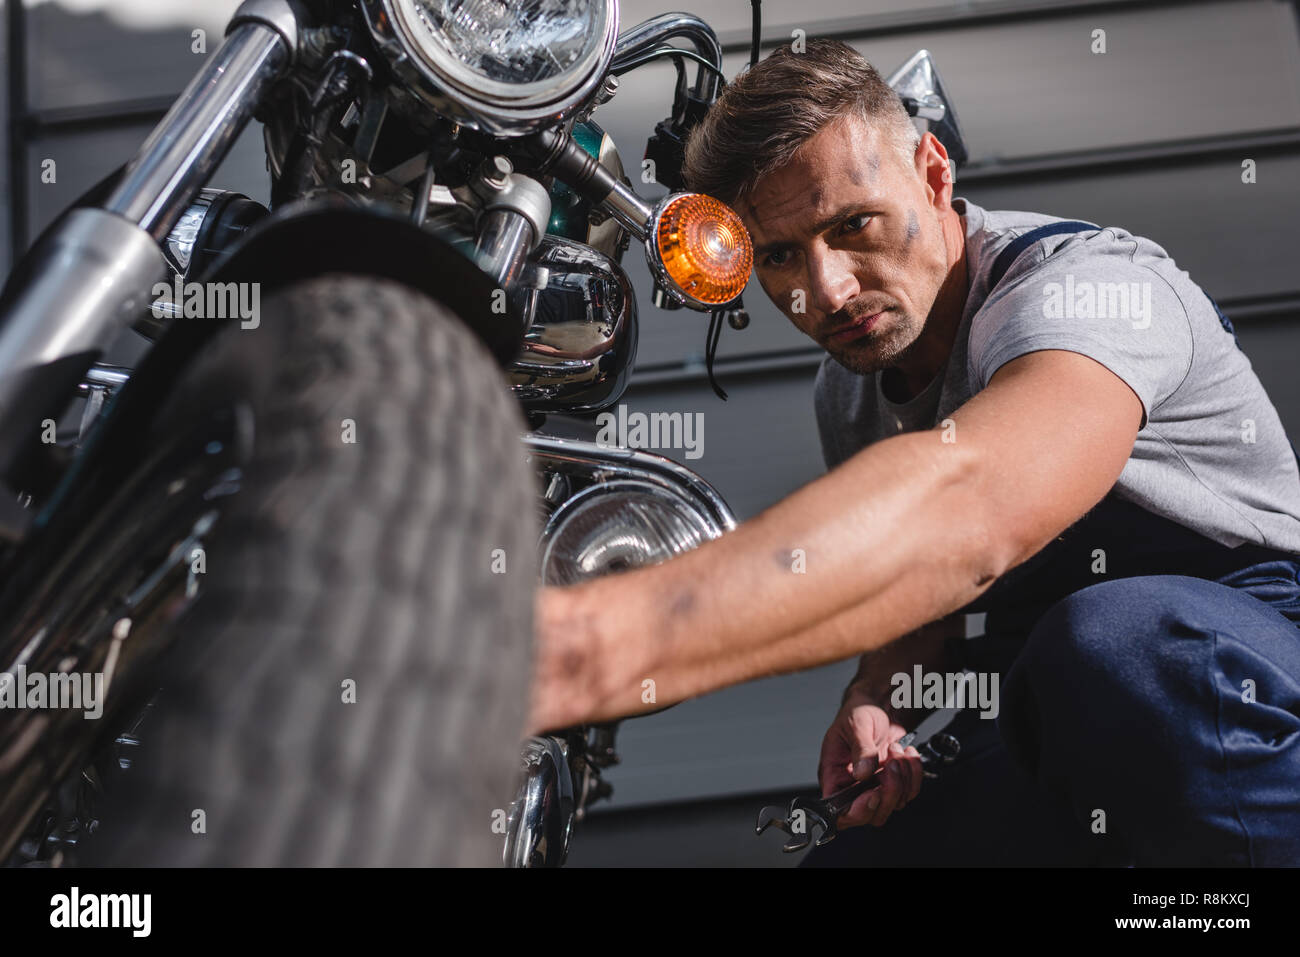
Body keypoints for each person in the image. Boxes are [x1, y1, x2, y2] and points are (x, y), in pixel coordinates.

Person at [528, 38, 1300, 866]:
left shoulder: (1085, 293)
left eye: (851, 225)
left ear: (934, 174)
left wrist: (586, 646)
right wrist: (876, 694)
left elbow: (968, 509)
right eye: (781, 255)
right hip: (1044, 707)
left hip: (1242, 666)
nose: (825, 291)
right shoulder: (853, 389)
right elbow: (923, 594)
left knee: (1121, 647)